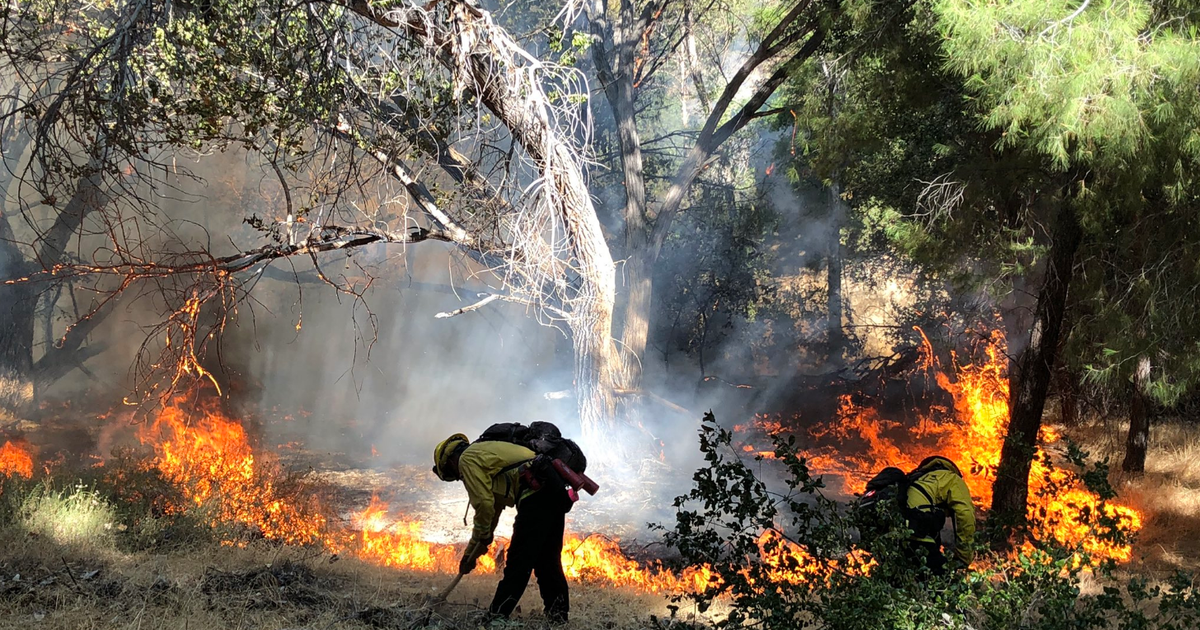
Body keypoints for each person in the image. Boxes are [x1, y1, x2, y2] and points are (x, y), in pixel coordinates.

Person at [432, 433, 572, 625]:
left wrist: (481, 538)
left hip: (534, 496)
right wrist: (471, 555)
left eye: (453, 474)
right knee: (547, 561)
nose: (459, 478)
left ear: (449, 461)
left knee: (518, 561)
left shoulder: (467, 459)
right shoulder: (484, 454)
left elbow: (484, 505)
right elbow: (492, 513)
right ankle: (558, 618)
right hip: (553, 490)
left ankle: (496, 617)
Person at [904, 455, 977, 575]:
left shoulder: (918, 479)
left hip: (894, 536)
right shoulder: (952, 478)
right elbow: (965, 514)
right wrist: (964, 556)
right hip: (917, 534)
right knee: (941, 579)